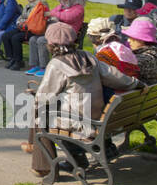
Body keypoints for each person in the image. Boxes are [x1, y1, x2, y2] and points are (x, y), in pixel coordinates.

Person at [24, 22, 140, 176]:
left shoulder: (56, 64)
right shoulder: (88, 57)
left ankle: (44, 168)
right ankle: (76, 160)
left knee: (41, 117)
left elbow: (43, 97)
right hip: (98, 116)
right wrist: (137, 83)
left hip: (79, 122)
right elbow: (115, 77)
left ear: (50, 43)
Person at [2, 0, 48, 71]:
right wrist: (19, 21)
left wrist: (24, 21)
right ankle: (12, 58)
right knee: (6, 35)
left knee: (16, 38)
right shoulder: (28, 5)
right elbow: (22, 16)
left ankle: (19, 61)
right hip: (25, 28)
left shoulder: (41, 4)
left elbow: (35, 18)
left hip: (35, 30)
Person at [123, 17, 157, 84]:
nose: (129, 41)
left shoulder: (142, 59)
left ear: (142, 40)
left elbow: (122, 77)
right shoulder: (154, 50)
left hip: (142, 93)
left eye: (132, 38)